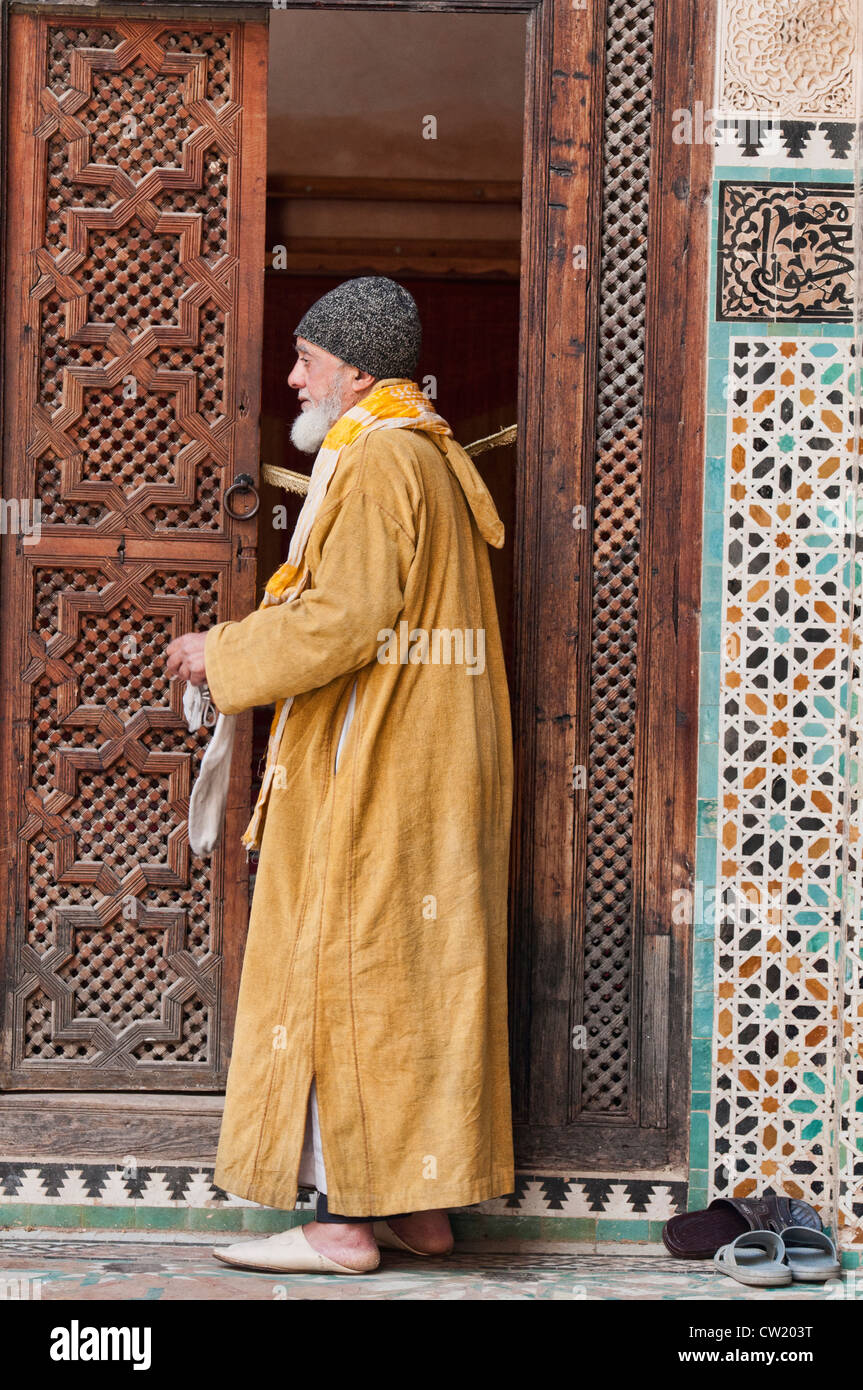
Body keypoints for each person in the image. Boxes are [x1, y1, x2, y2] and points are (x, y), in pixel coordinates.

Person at [165, 276, 515, 1274]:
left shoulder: (373, 463)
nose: (291, 376)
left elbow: (343, 621)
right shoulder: (427, 454)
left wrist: (221, 656)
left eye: (307, 359)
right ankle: (419, 1210)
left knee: (343, 971)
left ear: (357, 368)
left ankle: (338, 1223)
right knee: (407, 976)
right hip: (426, 766)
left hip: (377, 767)